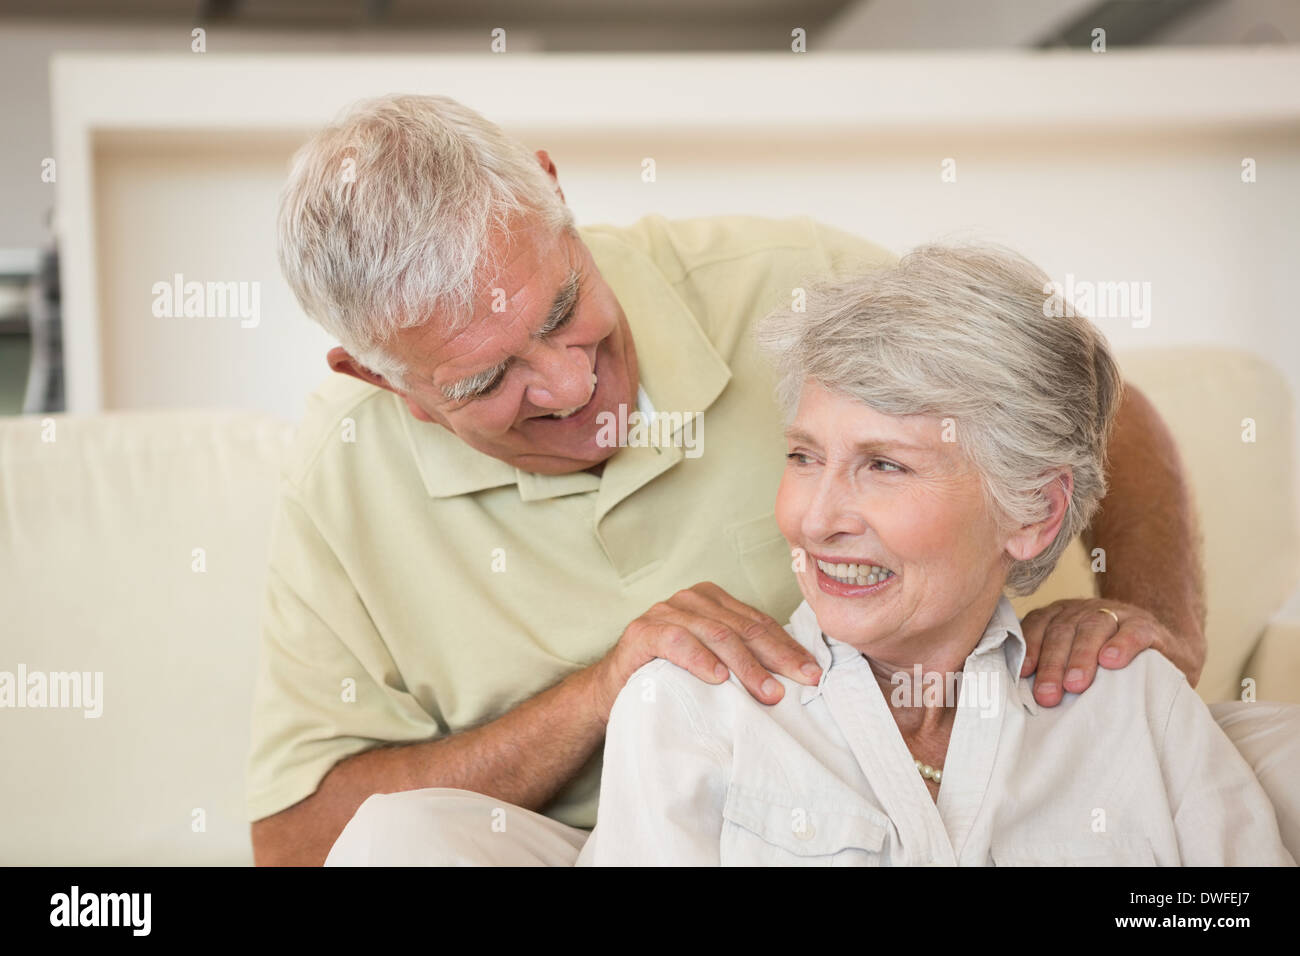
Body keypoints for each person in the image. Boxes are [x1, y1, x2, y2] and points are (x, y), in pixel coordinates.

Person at [249, 94, 1208, 866]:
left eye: (563, 308)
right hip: (589, 841)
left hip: (914, 778)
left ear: (554, 192)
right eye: (488, 381)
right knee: (398, 846)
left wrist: (1154, 630)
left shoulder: (789, 279)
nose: (571, 383)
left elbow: (1090, 406)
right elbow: (295, 847)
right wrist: (603, 692)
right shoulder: (339, 479)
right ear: (381, 381)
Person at [576, 245, 1293, 866]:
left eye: (884, 466)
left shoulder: (1134, 704)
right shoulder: (689, 710)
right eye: (803, 456)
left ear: (1035, 512)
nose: (815, 519)